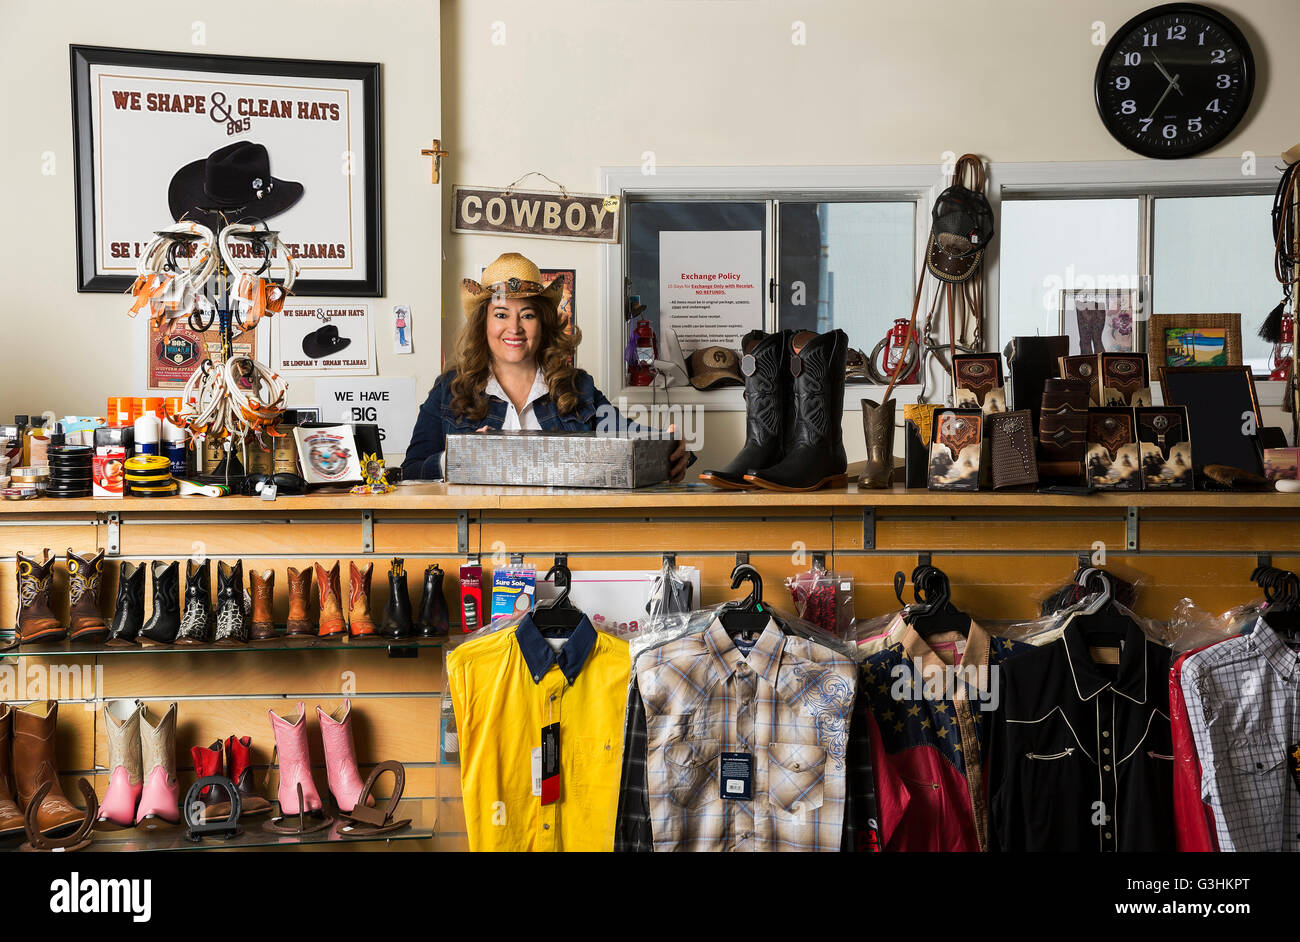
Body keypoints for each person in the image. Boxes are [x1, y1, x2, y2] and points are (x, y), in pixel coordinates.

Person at [402, 252, 688, 481]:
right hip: (478, 535)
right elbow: (410, 470)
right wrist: (456, 457)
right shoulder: (448, 390)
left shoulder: (578, 387)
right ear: (483, 324)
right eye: (501, 314)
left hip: (563, 536)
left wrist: (667, 446)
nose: (514, 328)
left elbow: (626, 435)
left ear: (543, 323)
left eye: (527, 315)